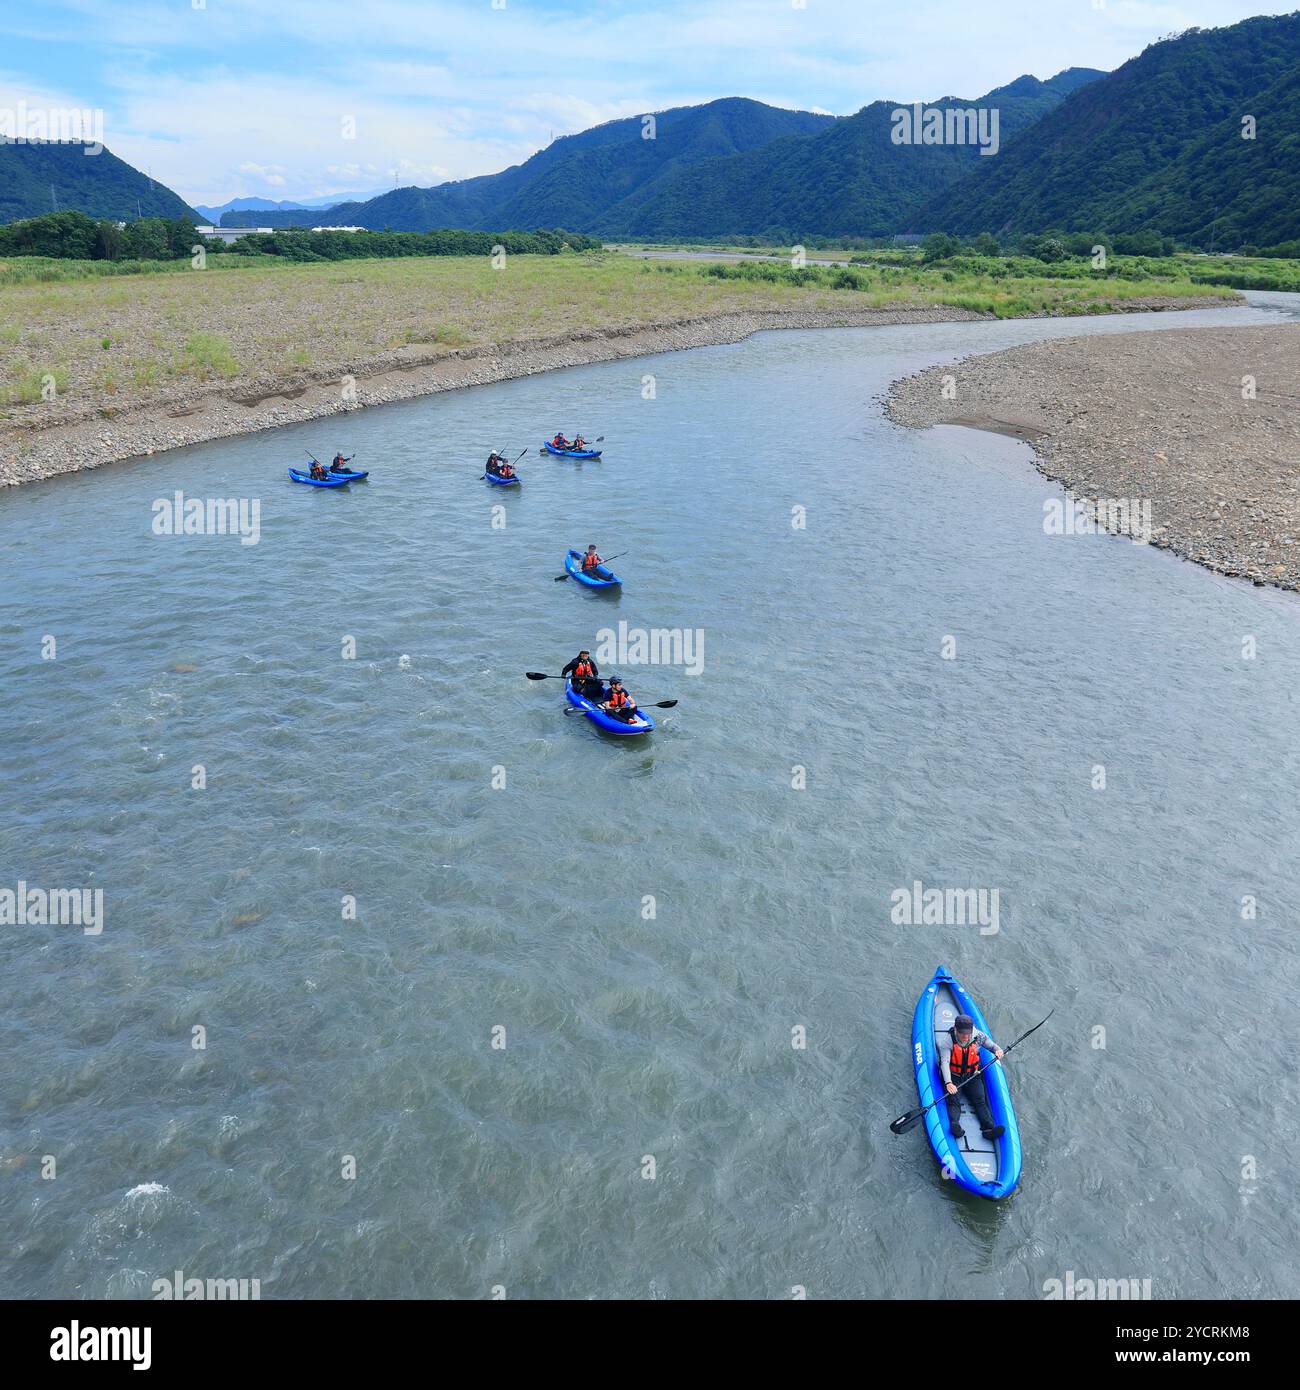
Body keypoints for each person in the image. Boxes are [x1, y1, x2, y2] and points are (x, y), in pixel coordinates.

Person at [941, 1013, 1005, 1142]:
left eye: (967, 1033)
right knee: (954, 1101)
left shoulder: (978, 1036)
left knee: (980, 1100)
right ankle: (955, 1126)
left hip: (972, 1076)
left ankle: (989, 1129)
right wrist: (948, 1083)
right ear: (955, 1028)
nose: (965, 1036)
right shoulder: (947, 1041)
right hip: (954, 1077)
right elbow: (945, 1062)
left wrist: (998, 1050)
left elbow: (991, 1046)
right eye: (962, 1033)